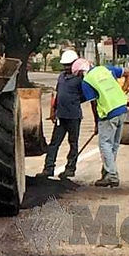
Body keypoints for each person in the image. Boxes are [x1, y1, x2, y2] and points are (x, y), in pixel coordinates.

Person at [72, 59, 129, 187]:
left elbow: (94, 103)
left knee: (105, 144)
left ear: (81, 72)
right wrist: (123, 90)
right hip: (122, 108)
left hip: (108, 113)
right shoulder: (105, 69)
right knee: (114, 145)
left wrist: (97, 122)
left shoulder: (87, 81)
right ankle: (107, 175)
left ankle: (112, 175)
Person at [37, 49, 85, 180]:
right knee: (54, 143)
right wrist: (53, 111)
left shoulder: (80, 78)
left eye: (69, 65)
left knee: (73, 143)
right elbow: (57, 95)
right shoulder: (61, 77)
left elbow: (84, 96)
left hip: (74, 116)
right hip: (61, 116)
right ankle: (48, 168)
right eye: (65, 65)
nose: (67, 67)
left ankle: (70, 169)